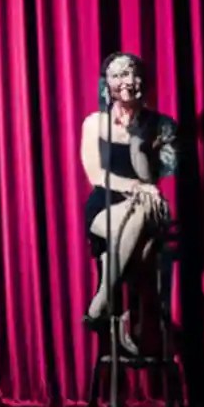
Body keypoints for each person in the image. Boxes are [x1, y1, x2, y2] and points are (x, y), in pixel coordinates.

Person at [78, 52, 177, 353]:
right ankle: (128, 315)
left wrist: (137, 138)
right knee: (144, 234)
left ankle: (104, 304)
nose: (126, 81)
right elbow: (96, 175)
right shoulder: (95, 123)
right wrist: (137, 187)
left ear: (142, 81)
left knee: (145, 214)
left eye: (131, 73)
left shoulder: (160, 124)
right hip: (105, 205)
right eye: (118, 75)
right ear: (106, 83)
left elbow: (157, 176)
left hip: (147, 206)